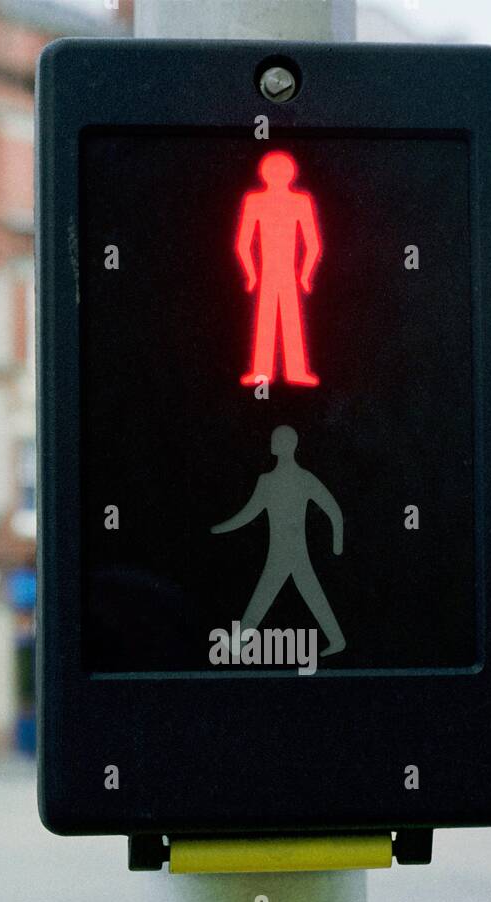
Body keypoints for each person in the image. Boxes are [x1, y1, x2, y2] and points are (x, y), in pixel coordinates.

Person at [211, 424, 345, 657]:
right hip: (283, 553)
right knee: (299, 593)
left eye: (276, 439)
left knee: (270, 594)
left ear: (287, 445)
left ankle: (240, 643)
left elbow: (333, 510)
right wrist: (222, 528)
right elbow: (249, 513)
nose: (272, 443)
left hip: (289, 553)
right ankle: (337, 639)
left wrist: (337, 544)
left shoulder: (303, 478)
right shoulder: (269, 481)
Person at [236, 151, 321, 386]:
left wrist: (304, 274)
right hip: (273, 273)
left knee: (282, 319)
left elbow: (312, 244)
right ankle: (267, 372)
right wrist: (251, 273)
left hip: (281, 273)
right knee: (269, 320)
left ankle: (292, 372)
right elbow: (243, 243)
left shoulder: (299, 202)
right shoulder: (255, 200)